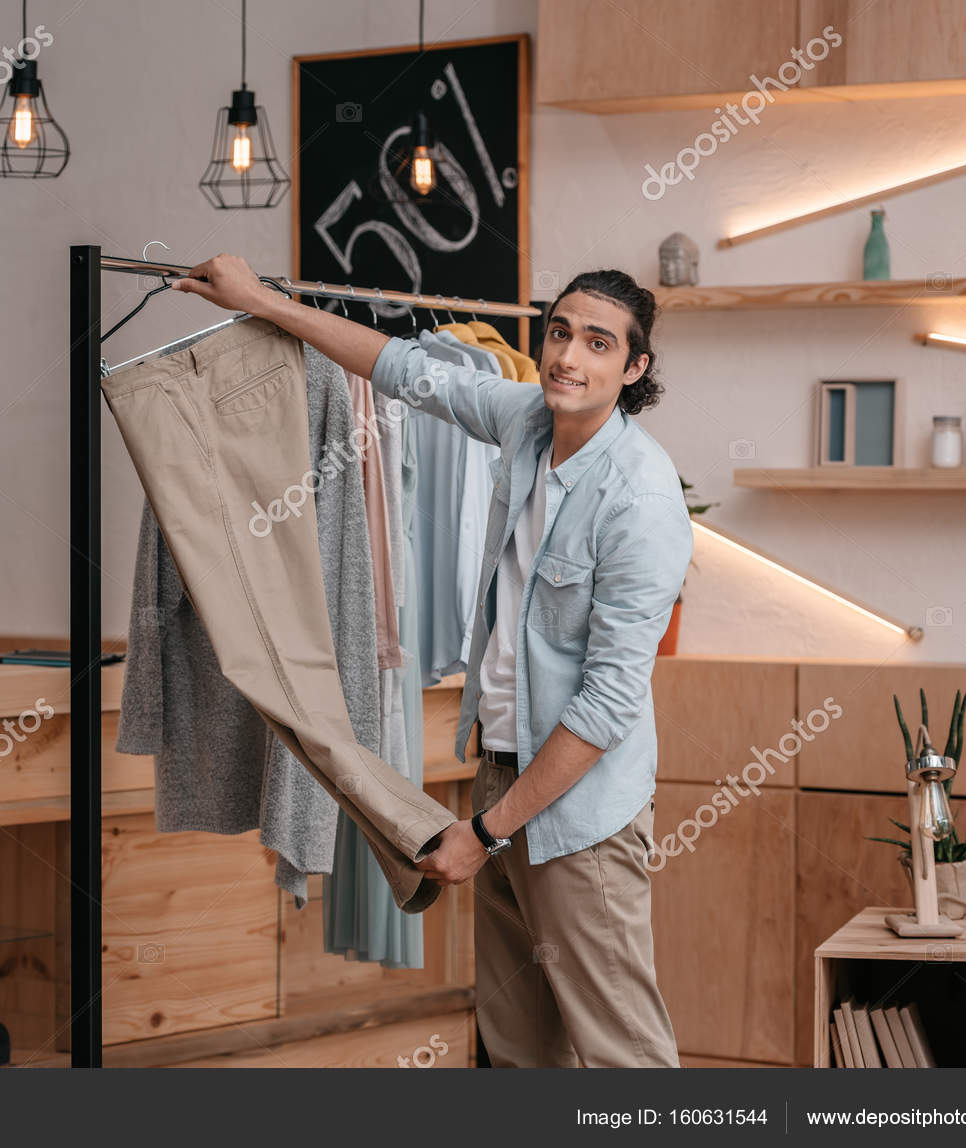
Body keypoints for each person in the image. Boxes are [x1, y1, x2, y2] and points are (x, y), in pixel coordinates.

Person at [172, 255, 693, 1067]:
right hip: (502, 775)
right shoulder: (527, 421)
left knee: (624, 1054)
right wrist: (265, 304)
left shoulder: (642, 500)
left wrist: (484, 832)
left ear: (634, 369)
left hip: (579, 814)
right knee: (517, 1046)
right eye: (559, 333)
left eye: (598, 344)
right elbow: (402, 369)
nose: (567, 357)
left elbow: (605, 709)